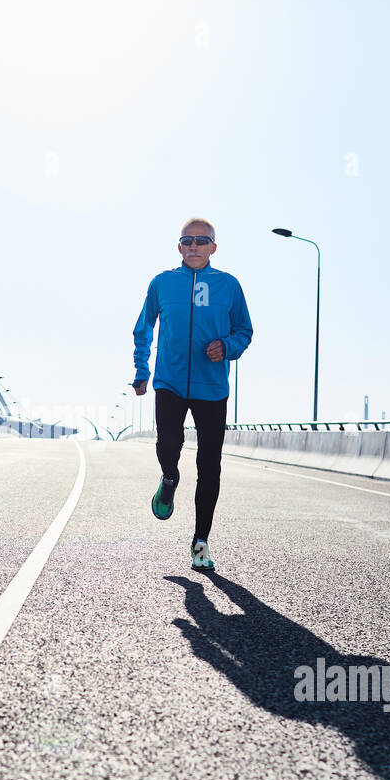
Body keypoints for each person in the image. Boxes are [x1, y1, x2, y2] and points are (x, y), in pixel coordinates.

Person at [132, 218, 253, 571]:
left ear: (213, 247)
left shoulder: (228, 285)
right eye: (188, 240)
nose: (194, 246)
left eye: (202, 241)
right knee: (168, 443)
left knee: (209, 466)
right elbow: (144, 328)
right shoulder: (162, 283)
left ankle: (201, 542)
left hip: (211, 388)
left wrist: (227, 347)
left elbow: (244, 330)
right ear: (179, 246)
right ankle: (169, 478)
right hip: (169, 380)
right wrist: (142, 371)